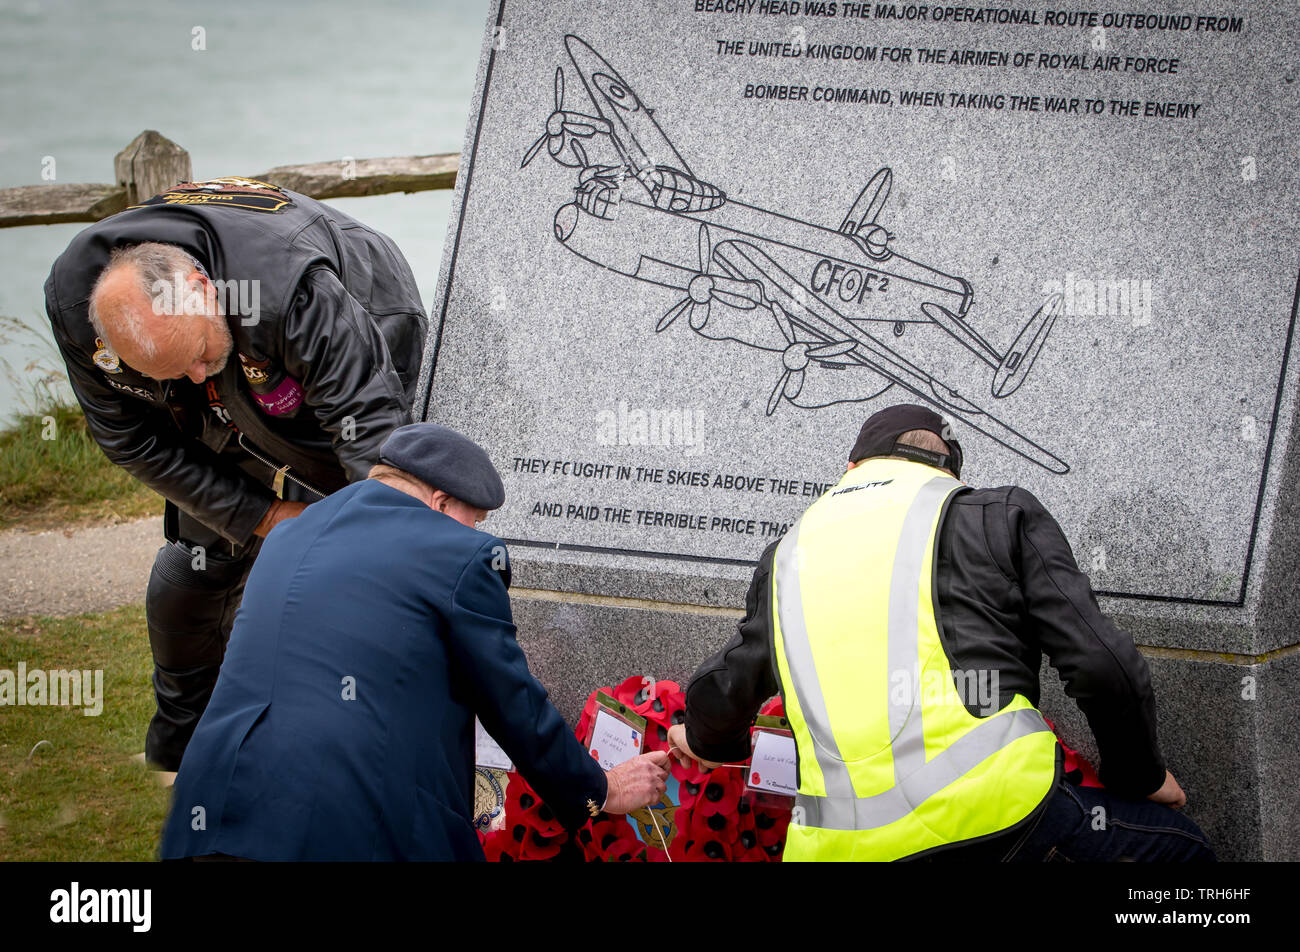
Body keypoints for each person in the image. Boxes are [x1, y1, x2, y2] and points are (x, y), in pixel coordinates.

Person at [668, 404, 1214, 862]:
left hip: (836, 847)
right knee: (1187, 853)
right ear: (949, 473)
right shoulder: (996, 514)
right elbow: (1100, 664)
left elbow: (728, 683)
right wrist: (1139, 774)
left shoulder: (787, 556)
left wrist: (702, 738)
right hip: (998, 821)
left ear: (852, 466)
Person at [43, 177, 427, 772]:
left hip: (361, 307)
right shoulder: (77, 301)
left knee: (350, 537)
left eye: (196, 357)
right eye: (172, 371)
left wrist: (359, 537)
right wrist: (265, 517)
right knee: (201, 552)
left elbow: (372, 437)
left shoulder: (297, 297)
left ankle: (356, 738)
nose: (198, 378)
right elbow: (130, 438)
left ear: (201, 289)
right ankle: (185, 744)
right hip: (234, 333)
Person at [160, 423, 670, 861]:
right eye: (475, 519)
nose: (476, 532)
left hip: (213, 814)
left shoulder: (289, 536)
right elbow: (511, 700)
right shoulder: (458, 553)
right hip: (347, 828)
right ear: (441, 503)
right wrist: (598, 789)